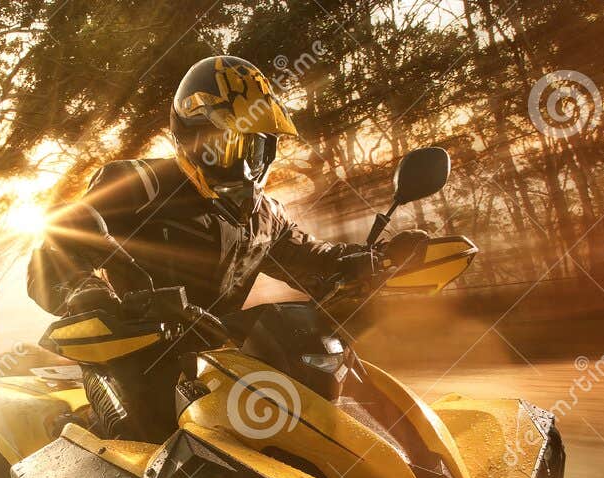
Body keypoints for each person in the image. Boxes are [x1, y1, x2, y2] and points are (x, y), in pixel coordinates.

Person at [28, 55, 426, 438]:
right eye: (228, 144)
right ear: (191, 137)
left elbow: (311, 258)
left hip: (223, 360)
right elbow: (62, 236)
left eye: (254, 148)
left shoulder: (266, 215)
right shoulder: (141, 183)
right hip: (131, 356)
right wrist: (87, 293)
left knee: (316, 418)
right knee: (142, 435)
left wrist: (376, 259)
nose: (242, 163)